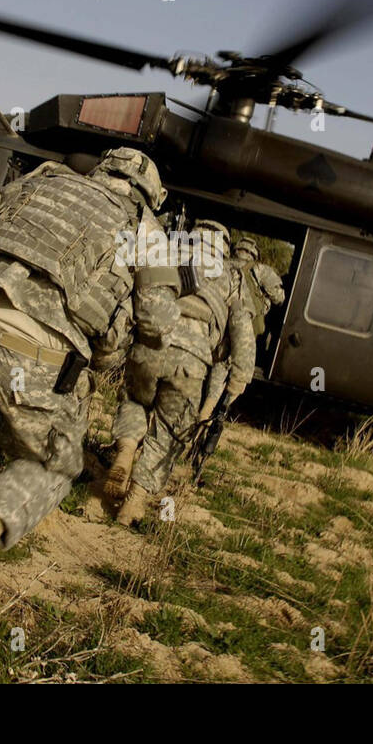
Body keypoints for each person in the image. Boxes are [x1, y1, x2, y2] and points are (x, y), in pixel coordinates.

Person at [0, 147, 177, 614]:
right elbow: (159, 322)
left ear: (101, 169)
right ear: (150, 194)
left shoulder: (40, 180)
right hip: (38, 352)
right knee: (56, 462)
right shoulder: (147, 231)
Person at [105, 219, 255, 525]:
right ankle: (132, 504)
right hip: (191, 360)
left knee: (135, 400)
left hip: (149, 345)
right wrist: (239, 378)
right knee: (170, 431)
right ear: (224, 247)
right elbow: (242, 329)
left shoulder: (169, 251)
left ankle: (127, 447)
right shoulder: (232, 275)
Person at [199, 234, 285, 419]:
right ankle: (213, 411)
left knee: (216, 362)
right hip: (242, 326)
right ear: (254, 254)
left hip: (217, 322)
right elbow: (279, 297)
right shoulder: (261, 270)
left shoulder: (222, 265)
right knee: (231, 368)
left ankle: (206, 407)